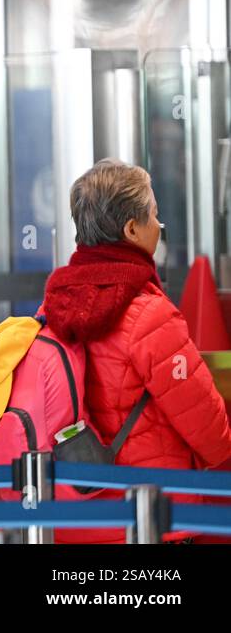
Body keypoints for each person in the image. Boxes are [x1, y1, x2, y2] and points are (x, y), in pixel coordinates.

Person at [40, 158, 231, 542]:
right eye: (154, 216)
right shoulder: (149, 315)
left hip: (79, 513)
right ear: (131, 229)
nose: (158, 227)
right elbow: (210, 431)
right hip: (152, 514)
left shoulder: (54, 306)